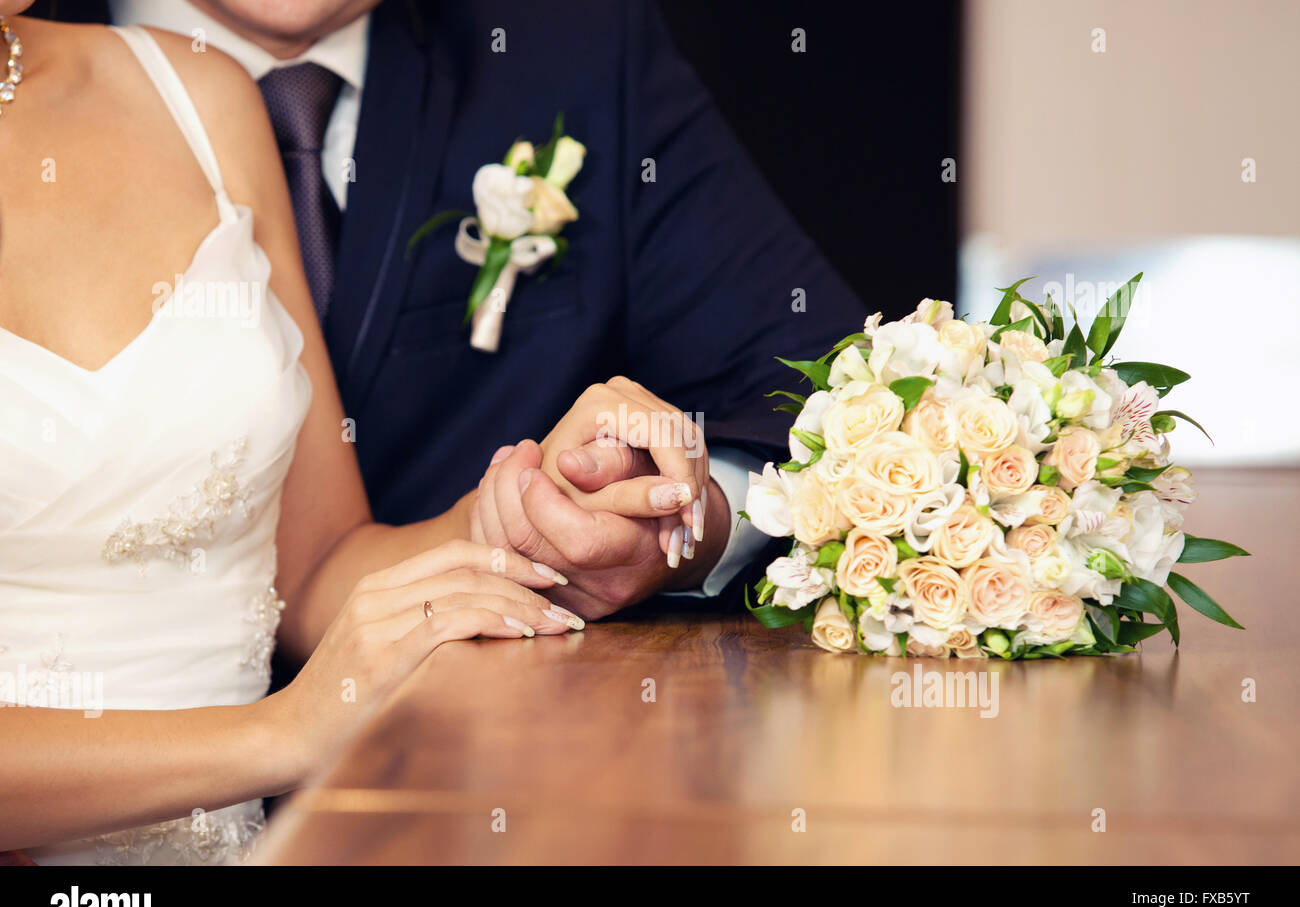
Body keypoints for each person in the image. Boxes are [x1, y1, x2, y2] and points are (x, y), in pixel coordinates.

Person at [35, 0, 866, 622]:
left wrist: (668, 518)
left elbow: (831, 394)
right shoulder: (31, 64)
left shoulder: (570, 48)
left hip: (493, 764)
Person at [0, 10, 585, 863]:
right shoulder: (284, 734)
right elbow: (301, 724)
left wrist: (528, 521)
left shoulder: (199, 95)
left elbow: (315, 566)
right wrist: (281, 735)